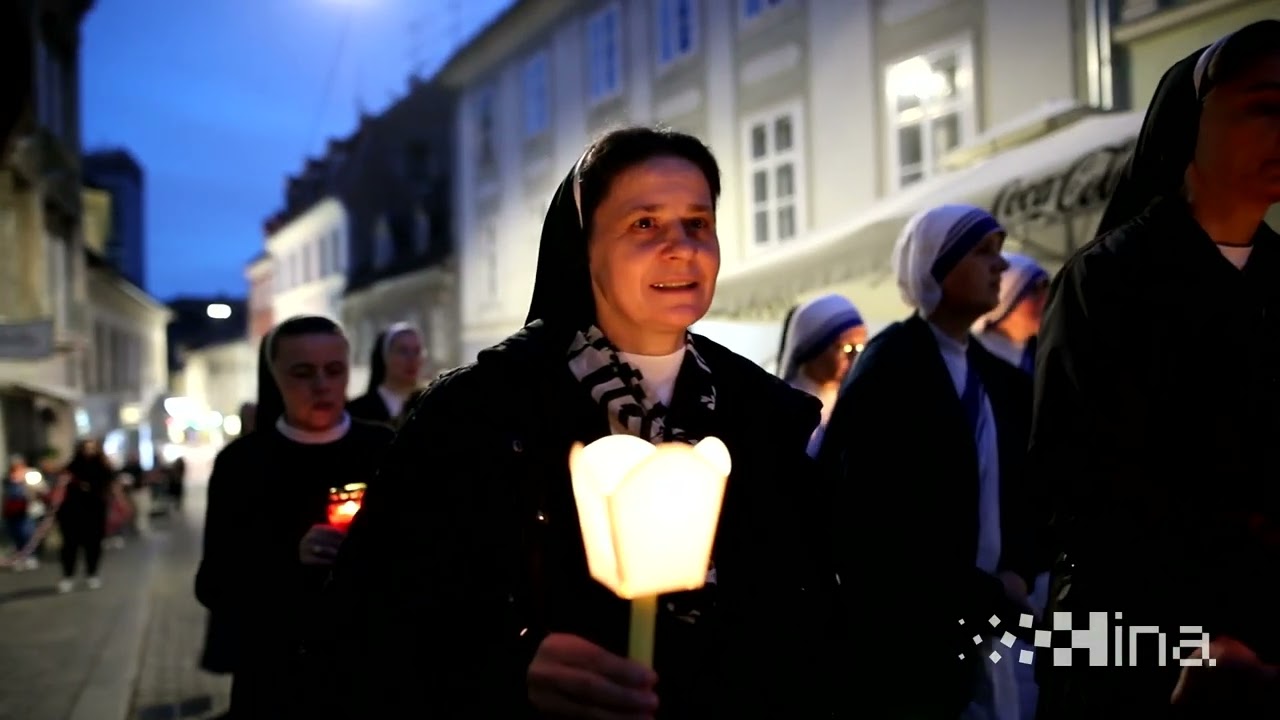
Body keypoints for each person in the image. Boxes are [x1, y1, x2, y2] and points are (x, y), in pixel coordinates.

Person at [328, 126, 845, 718]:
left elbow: (810, 615)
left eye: (698, 223)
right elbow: (368, 620)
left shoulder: (764, 416)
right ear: (583, 248)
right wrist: (508, 663)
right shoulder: (478, 414)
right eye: (644, 224)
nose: (682, 248)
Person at [1032, 20, 1280, 719]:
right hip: (1132, 646)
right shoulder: (1105, 282)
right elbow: (1079, 484)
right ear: (1191, 127)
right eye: (1263, 107)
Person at [818, 204, 1042, 719]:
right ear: (937, 266)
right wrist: (987, 591)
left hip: (990, 623)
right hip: (911, 639)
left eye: (1000, 253)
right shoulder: (890, 370)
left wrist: (1018, 573)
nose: (1001, 268)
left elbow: (1029, 491)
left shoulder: (996, 378)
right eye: (983, 253)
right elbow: (877, 523)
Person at [194, 317, 394, 718]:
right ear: (275, 376)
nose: (322, 385)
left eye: (334, 371)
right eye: (303, 373)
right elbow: (213, 584)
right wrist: (289, 556)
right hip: (276, 676)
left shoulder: (385, 448)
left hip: (369, 670)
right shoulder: (242, 464)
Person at [775, 294, 868, 457]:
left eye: (861, 347)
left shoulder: (858, 402)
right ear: (813, 347)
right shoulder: (782, 405)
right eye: (845, 348)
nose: (854, 356)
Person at [56, 439, 121, 593]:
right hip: (72, 512)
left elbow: (109, 485)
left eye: (92, 448)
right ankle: (68, 576)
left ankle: (92, 573)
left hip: (95, 511)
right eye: (86, 448)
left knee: (93, 544)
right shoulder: (72, 467)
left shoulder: (104, 467)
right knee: (70, 545)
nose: (89, 451)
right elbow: (61, 484)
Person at [972, 253, 1048, 374]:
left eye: (1047, 288)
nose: (1047, 299)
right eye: (1034, 291)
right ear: (1004, 306)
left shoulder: (1041, 357)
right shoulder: (976, 366)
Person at [346, 323, 424, 426]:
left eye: (417, 351)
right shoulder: (356, 411)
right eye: (403, 351)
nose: (412, 359)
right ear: (385, 357)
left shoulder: (431, 404)